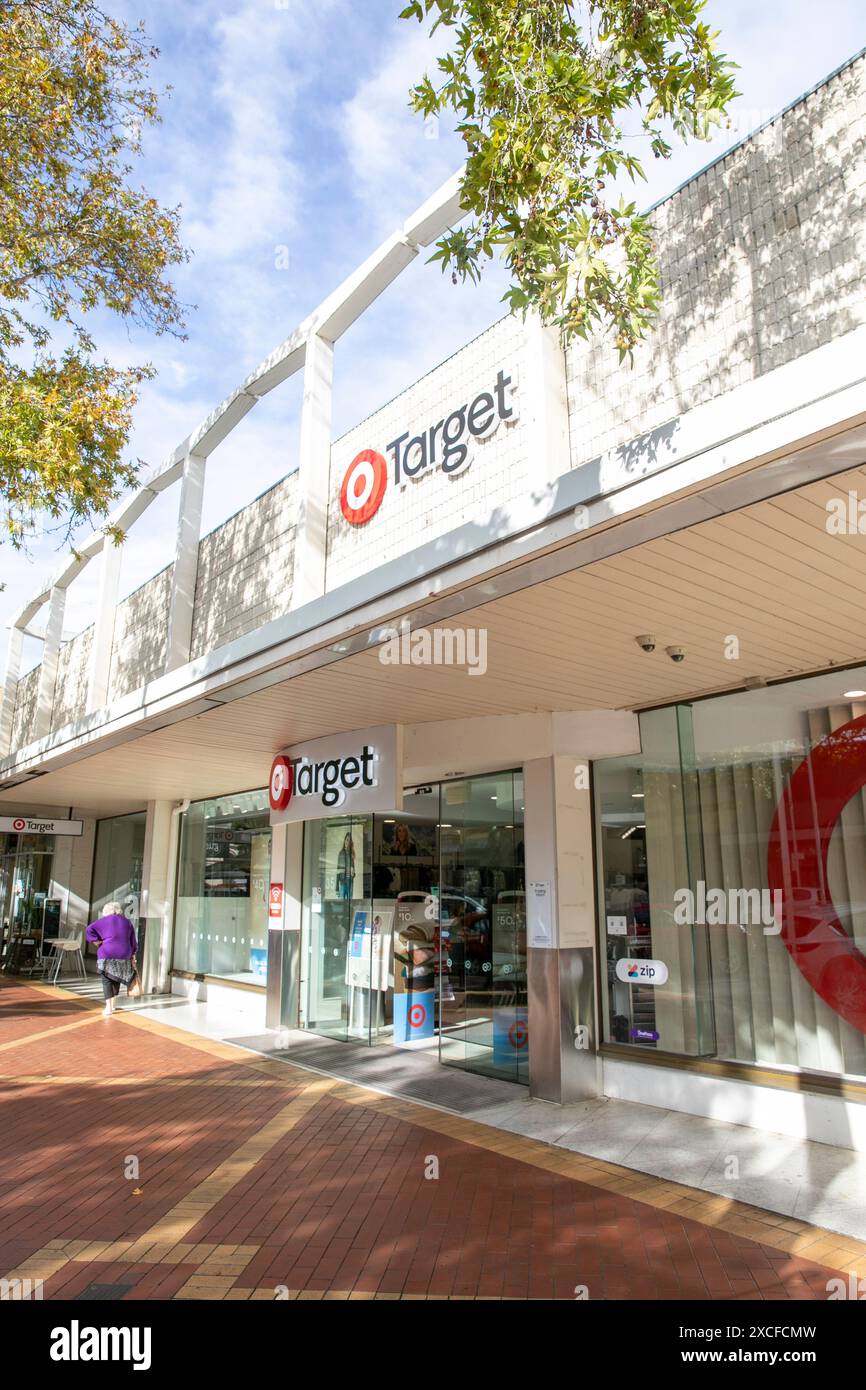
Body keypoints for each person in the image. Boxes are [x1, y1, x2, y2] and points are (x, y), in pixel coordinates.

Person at [85, 900, 138, 1018]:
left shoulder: (104, 921)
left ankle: (108, 1007)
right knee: (116, 978)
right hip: (124, 954)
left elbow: (89, 929)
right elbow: (133, 941)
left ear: (106, 911)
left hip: (107, 954)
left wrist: (96, 941)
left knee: (106, 979)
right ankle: (113, 1004)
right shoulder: (127, 922)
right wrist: (133, 954)